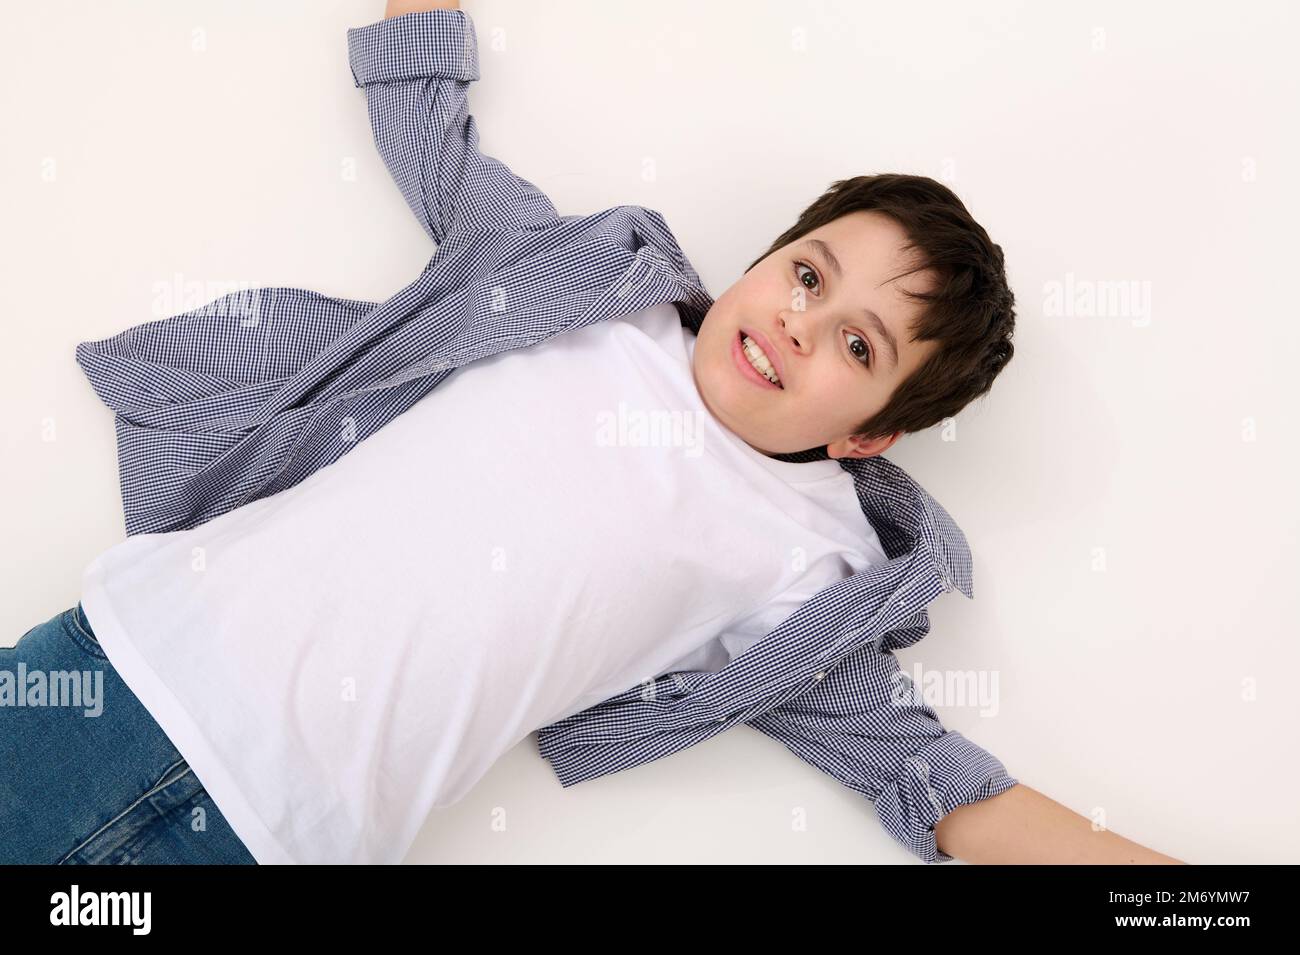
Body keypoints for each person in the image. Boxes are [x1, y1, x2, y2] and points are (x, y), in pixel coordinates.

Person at [1, 0, 1184, 865]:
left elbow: (936, 783)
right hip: (117, 665)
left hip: (265, 837)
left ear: (871, 438)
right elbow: (433, 138)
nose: (800, 323)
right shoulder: (583, 284)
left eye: (859, 346)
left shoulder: (806, 569)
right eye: (808, 275)